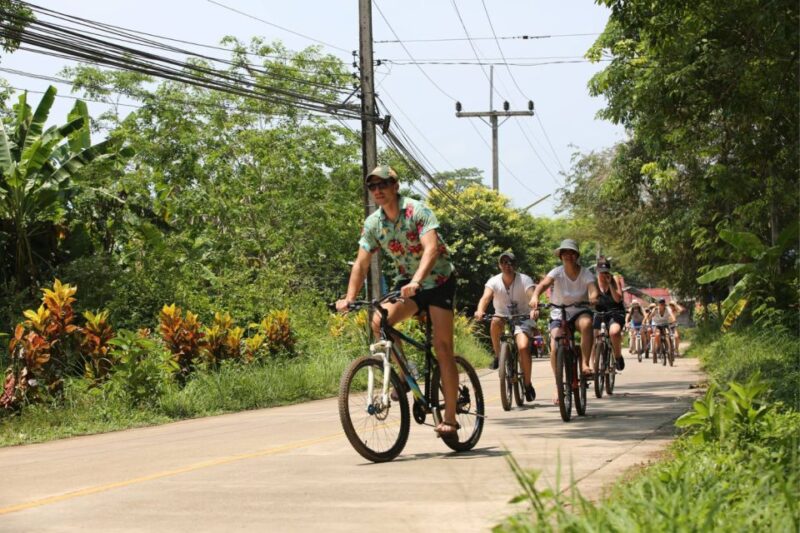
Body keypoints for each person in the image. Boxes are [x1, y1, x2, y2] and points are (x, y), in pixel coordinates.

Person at [335, 165, 460, 437]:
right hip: (409, 284)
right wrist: (349, 298)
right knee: (379, 320)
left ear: (395, 186)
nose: (378, 190)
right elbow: (361, 263)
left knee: (442, 348)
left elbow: (431, 249)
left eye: (383, 184)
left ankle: (450, 417)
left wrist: (418, 280)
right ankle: (404, 375)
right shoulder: (373, 224)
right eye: (373, 186)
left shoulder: (417, 211)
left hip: (438, 281)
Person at [529, 239, 598, 404]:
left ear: (576, 256)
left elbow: (593, 290)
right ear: (561, 256)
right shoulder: (556, 272)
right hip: (559, 313)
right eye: (565, 253)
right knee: (555, 346)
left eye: (571, 253)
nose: (568, 256)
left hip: (580, 310)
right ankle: (558, 385)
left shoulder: (586, 273)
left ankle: (586, 364)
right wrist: (535, 296)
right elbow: (542, 285)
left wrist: (593, 298)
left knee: (587, 324)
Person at [474, 251, 537, 402]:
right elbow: (486, 297)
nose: (507, 265)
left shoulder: (524, 279)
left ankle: (527, 385)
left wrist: (534, 307)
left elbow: (531, 294)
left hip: (522, 317)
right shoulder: (493, 281)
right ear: (499, 265)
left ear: (515, 265)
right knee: (495, 321)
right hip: (502, 315)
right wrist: (480, 310)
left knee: (522, 348)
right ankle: (498, 356)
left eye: (510, 263)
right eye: (504, 262)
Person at [593, 258, 626, 371]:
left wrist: (610, 283)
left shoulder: (615, 279)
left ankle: (617, 357)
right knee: (593, 335)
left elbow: (617, 299)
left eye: (606, 271)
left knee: (614, 332)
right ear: (597, 271)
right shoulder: (593, 282)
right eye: (601, 272)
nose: (604, 274)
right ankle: (594, 363)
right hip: (599, 312)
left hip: (615, 311)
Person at [650, 299, 676, 363]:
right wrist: (652, 313)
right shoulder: (655, 310)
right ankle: (658, 347)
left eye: (663, 304)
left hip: (665, 324)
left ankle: (671, 349)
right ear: (658, 304)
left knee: (669, 335)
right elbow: (650, 317)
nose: (662, 305)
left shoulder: (668, 309)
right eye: (660, 304)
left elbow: (672, 315)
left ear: (664, 304)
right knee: (658, 335)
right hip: (657, 324)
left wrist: (674, 320)